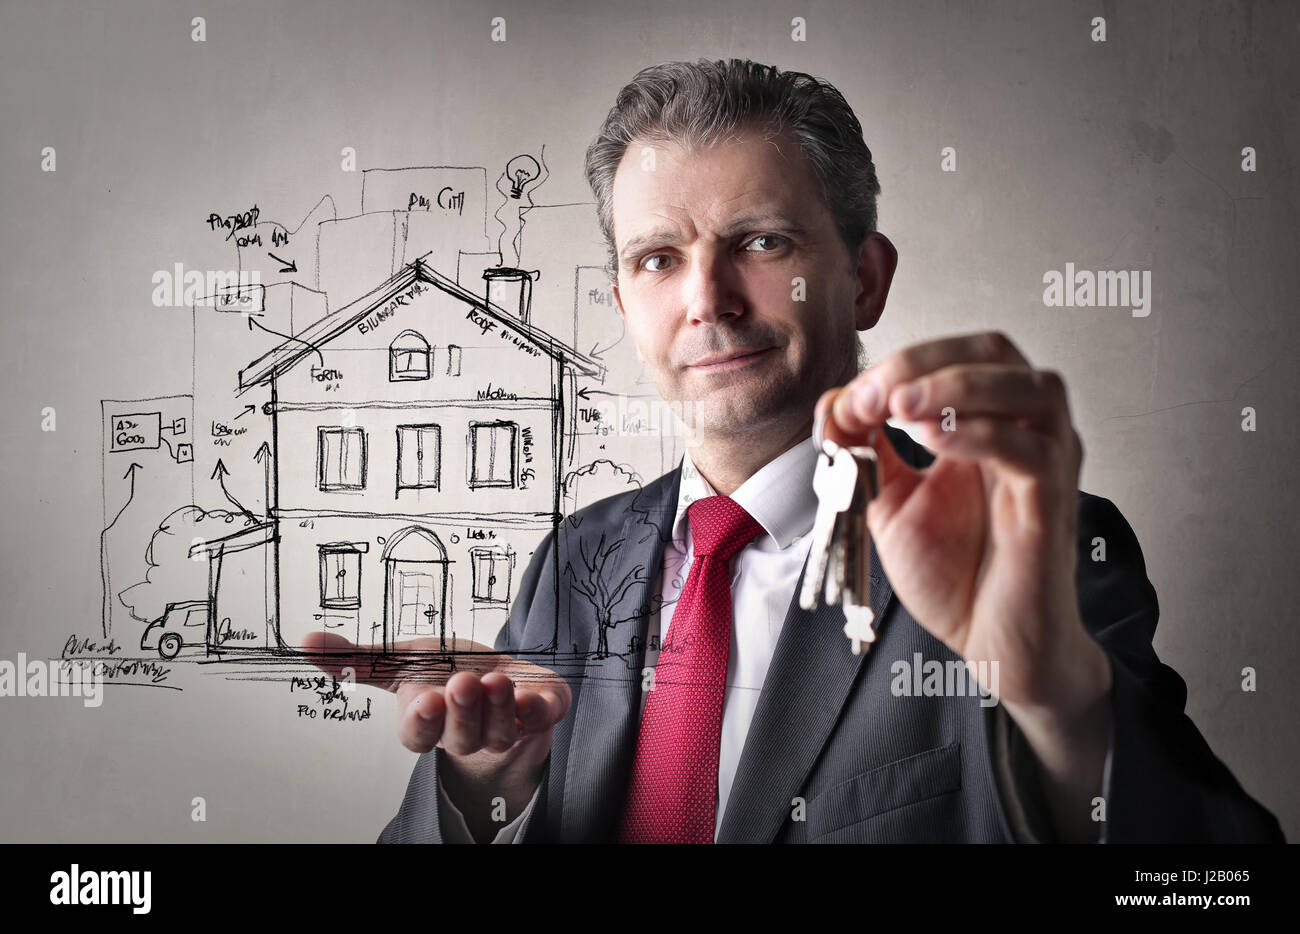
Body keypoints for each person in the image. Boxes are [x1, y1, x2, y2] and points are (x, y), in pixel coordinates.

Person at [306, 58, 1284, 844]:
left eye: (762, 242)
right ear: (622, 305)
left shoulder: (1030, 547)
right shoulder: (574, 560)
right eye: (658, 258)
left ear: (862, 279)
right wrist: (484, 790)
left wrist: (1059, 697)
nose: (709, 300)